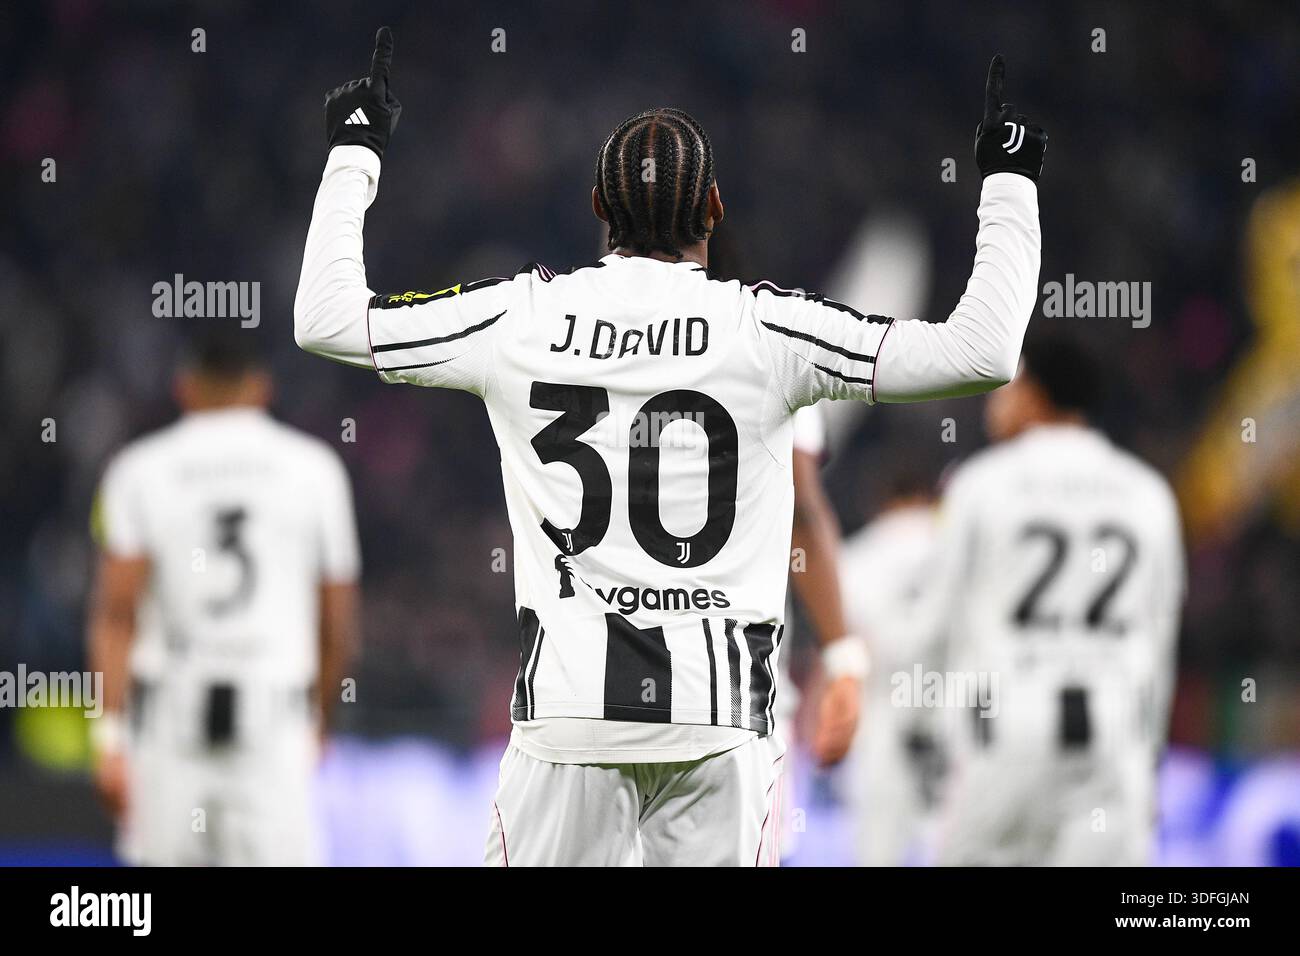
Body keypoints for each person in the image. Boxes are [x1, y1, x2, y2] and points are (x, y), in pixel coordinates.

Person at [294, 28, 1044, 866]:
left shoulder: (519, 316)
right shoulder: (767, 329)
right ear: (715, 209)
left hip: (570, 719)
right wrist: (1008, 179)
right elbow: (980, 352)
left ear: (596, 210)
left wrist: (355, 151)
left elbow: (327, 319)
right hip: (718, 723)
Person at [88, 334, 360, 866]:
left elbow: (116, 614)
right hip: (274, 724)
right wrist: (320, 723)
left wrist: (111, 739)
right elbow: (337, 619)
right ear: (261, 387)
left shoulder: (138, 470)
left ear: (184, 387)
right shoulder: (315, 470)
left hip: (169, 725)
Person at [917, 335, 1184, 865]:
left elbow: (936, 623)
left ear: (1034, 393)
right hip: (1113, 735)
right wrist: (1149, 756)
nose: (995, 398)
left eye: (1007, 383)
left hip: (1006, 733)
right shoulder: (1148, 492)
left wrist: (925, 733)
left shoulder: (981, 484)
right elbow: (1161, 633)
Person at [838, 473, 943, 865]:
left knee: (877, 848)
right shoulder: (949, 538)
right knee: (947, 841)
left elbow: (849, 645)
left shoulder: (863, 550)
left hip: (882, 706)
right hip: (950, 706)